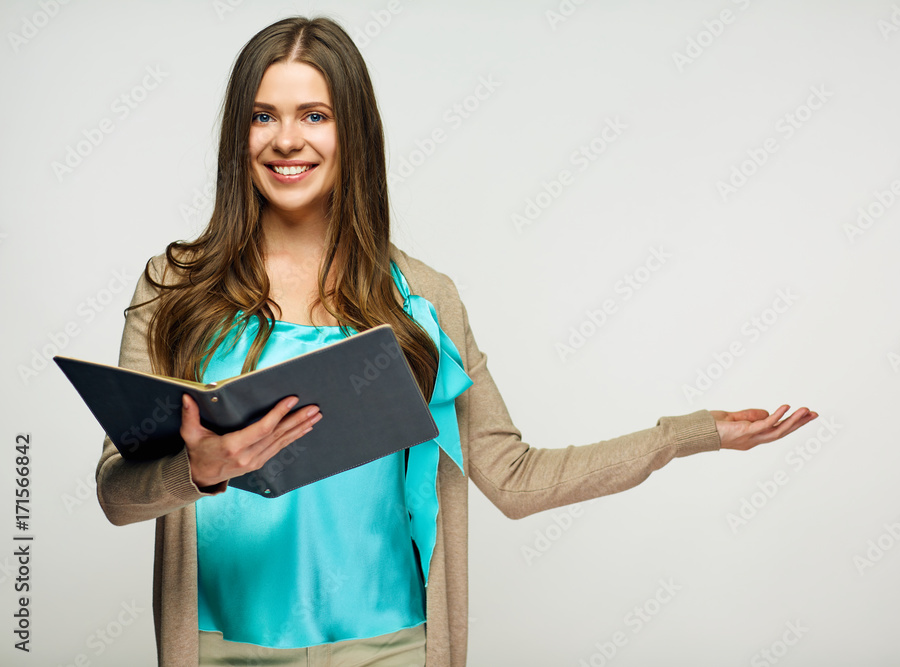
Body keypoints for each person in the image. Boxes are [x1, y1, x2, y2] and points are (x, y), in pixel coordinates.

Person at [95, 14, 817, 667]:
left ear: (352, 131)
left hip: (390, 647)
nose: (288, 139)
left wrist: (692, 434)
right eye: (264, 116)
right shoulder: (175, 288)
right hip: (224, 648)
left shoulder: (420, 298)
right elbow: (117, 496)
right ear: (239, 135)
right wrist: (199, 469)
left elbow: (515, 476)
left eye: (314, 114)